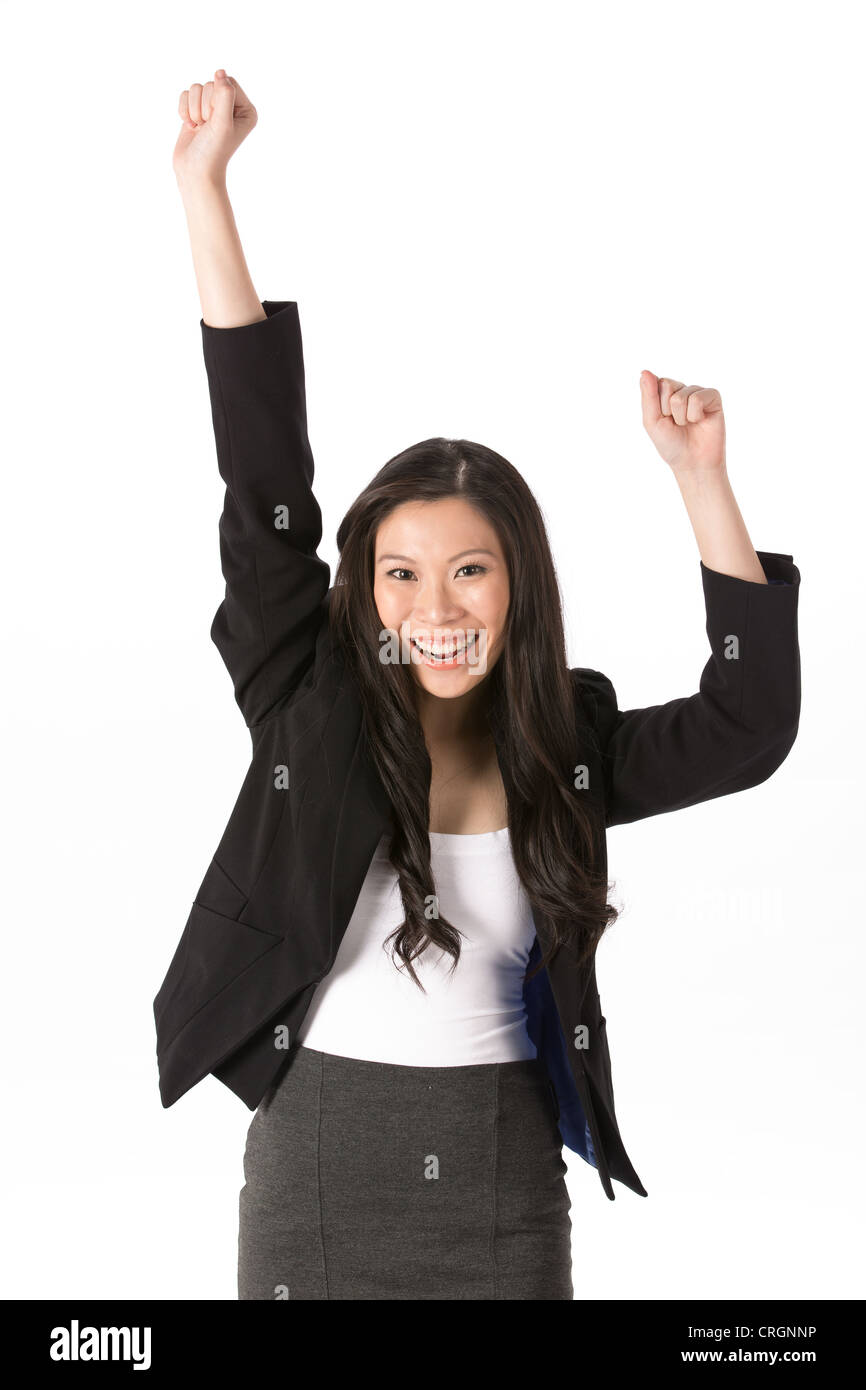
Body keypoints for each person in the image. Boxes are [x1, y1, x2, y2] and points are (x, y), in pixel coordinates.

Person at [158, 69, 801, 1301]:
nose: (434, 609)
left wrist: (700, 481)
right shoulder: (304, 690)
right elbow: (262, 477)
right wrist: (204, 186)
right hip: (314, 1174)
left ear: (517, 586)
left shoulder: (564, 739)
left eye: (468, 570)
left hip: (504, 1186)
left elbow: (746, 726)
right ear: (362, 588)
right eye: (399, 573)